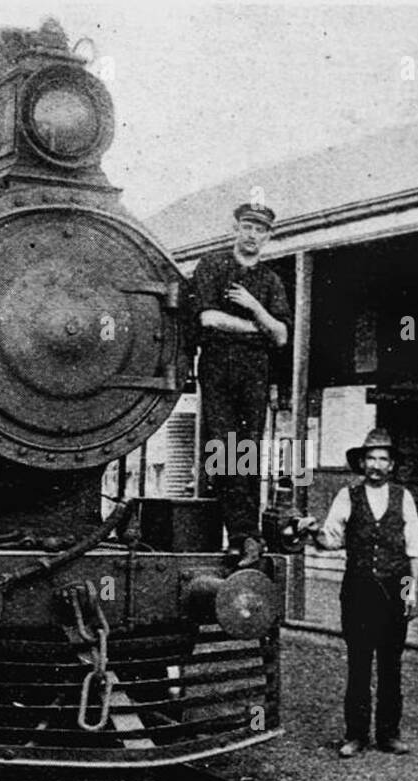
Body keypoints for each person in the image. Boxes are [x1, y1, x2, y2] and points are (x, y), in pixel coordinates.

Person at [298, 429, 418, 757]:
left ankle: (389, 735)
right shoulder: (347, 496)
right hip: (358, 592)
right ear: (362, 462)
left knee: (390, 666)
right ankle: (355, 735)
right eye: (371, 458)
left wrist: (412, 594)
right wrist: (313, 532)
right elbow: (332, 538)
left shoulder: (404, 497)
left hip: (395, 590)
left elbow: (415, 550)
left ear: (392, 465)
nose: (376, 465)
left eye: (383, 459)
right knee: (358, 666)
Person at [190, 202, 291, 567]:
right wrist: (258, 328)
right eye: (247, 226)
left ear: (268, 235)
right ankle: (244, 534)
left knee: (246, 449)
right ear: (235, 227)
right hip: (218, 365)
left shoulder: (270, 281)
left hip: (254, 370)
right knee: (223, 446)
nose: (252, 235)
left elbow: (280, 335)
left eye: (259, 229)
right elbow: (209, 318)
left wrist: (254, 307)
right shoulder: (213, 266)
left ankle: (242, 537)